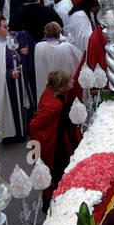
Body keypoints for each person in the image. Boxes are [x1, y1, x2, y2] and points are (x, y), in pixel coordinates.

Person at [29, 68, 78, 199]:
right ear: (61, 87)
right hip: (56, 144)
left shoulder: (51, 92)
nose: (72, 81)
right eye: (69, 81)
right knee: (59, 171)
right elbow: (34, 125)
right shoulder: (54, 106)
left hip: (61, 135)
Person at [0, 13, 32, 140]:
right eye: (5, 27)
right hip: (8, 87)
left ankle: (23, 129)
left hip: (19, 82)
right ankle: (14, 135)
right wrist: (9, 74)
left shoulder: (8, 39)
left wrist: (23, 52)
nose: (8, 29)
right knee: (13, 110)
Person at [34, 21, 81, 98]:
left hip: (46, 87)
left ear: (45, 34)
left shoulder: (39, 47)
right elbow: (79, 60)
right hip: (63, 86)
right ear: (59, 32)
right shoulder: (67, 47)